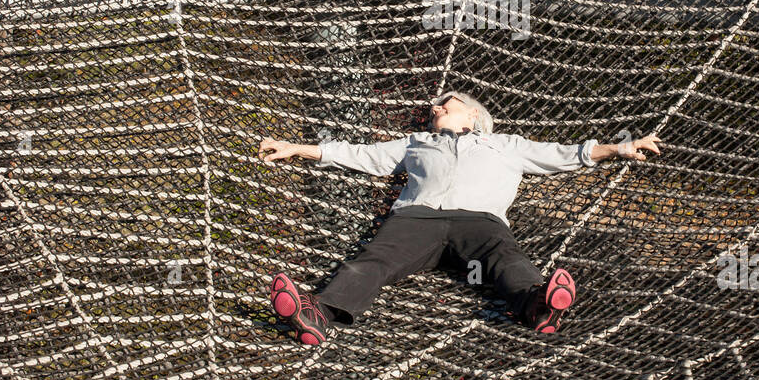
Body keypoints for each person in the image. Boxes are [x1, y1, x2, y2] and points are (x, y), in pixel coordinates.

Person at [260, 92, 660, 345]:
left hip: (480, 222)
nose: (435, 107)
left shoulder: (505, 145)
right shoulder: (417, 143)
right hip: (416, 219)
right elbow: (365, 156)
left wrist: (621, 147)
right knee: (372, 262)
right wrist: (298, 147)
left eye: (445, 103)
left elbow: (564, 154)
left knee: (507, 260)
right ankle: (318, 314)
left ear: (471, 115)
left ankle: (538, 307)